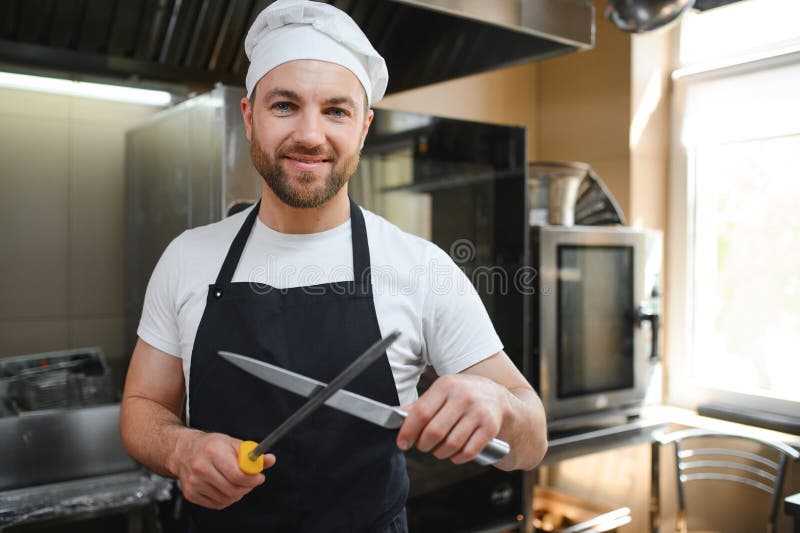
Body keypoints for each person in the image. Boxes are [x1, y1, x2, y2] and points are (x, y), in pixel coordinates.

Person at [119, 0, 547, 531]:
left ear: (363, 127)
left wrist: (500, 408)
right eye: (284, 106)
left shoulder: (420, 266)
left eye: (336, 111)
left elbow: (530, 441)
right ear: (250, 117)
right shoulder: (188, 257)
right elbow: (141, 407)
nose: (309, 134)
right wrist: (181, 448)